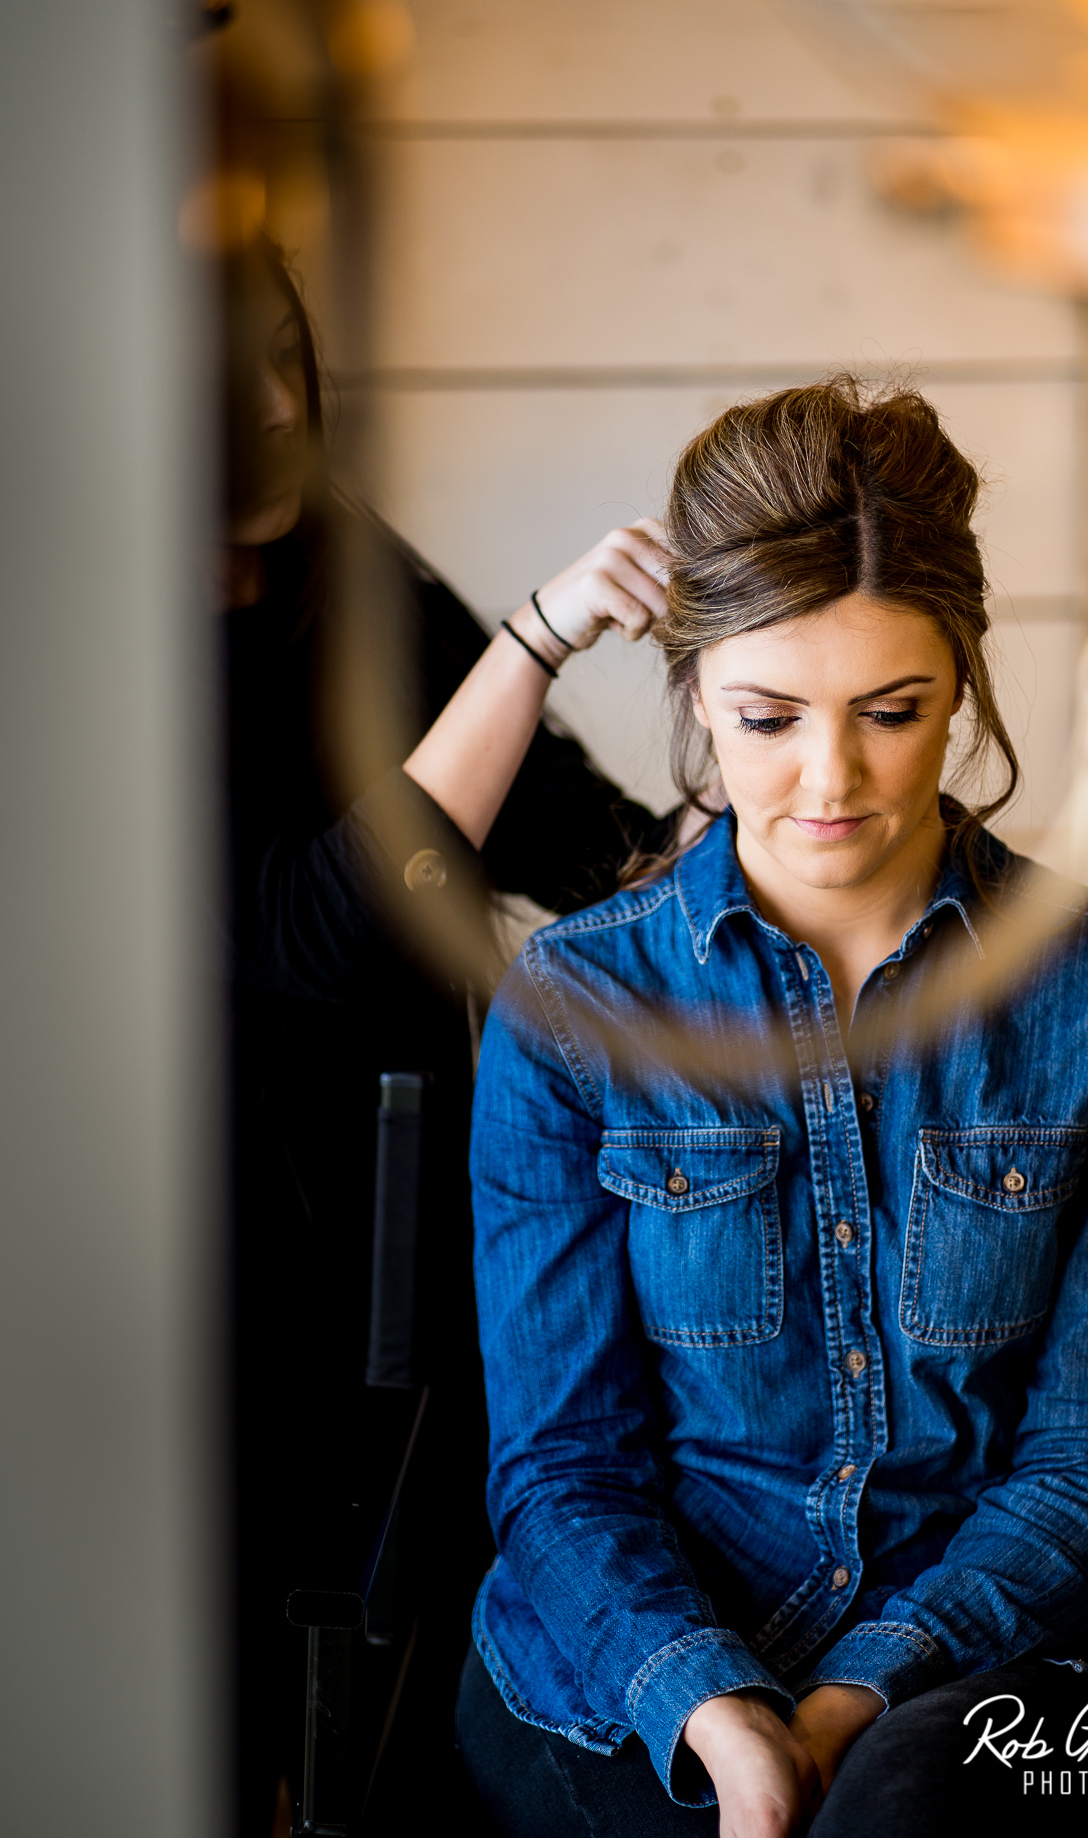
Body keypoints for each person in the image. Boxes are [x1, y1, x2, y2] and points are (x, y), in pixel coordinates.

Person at [458, 380, 1088, 1836]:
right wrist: (716, 1707)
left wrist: (848, 1695)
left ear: (962, 687)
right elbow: (562, 1462)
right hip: (624, 1662)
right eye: (765, 717)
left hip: (977, 1651)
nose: (831, 781)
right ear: (691, 688)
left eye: (893, 712)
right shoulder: (575, 1006)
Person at [220, 233, 682, 1832]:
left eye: (289, 348)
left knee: (430, 1718)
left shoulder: (345, 564)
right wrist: (532, 638)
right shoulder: (75, 646)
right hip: (220, 1301)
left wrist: (767, 788)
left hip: (423, 1265)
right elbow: (313, 936)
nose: (281, 401)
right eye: (225, 374)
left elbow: (584, 838)